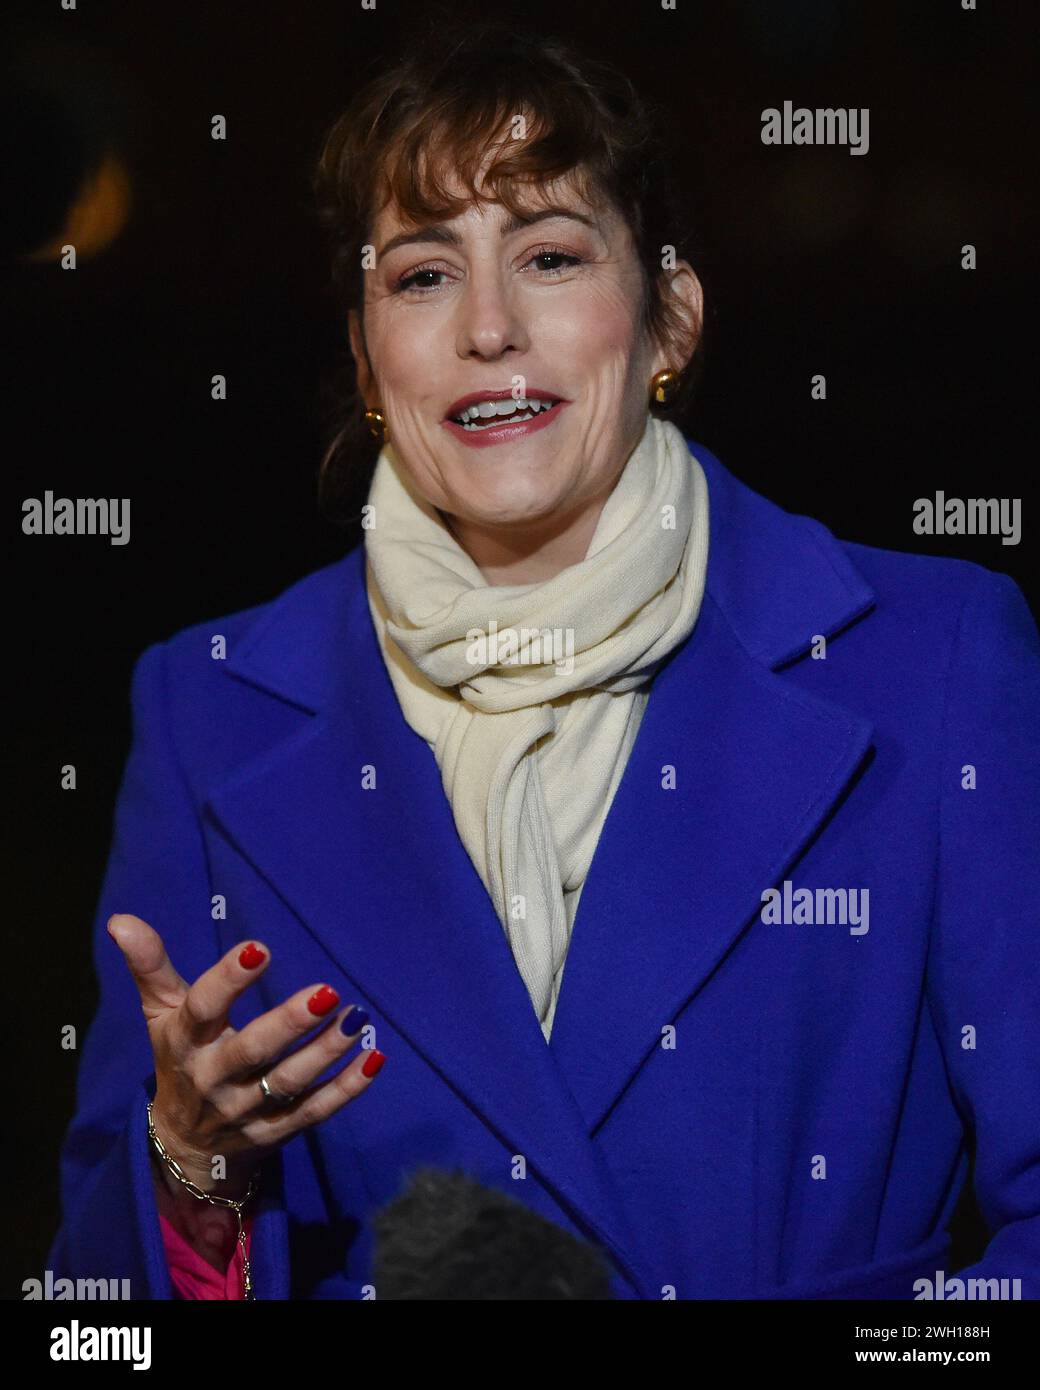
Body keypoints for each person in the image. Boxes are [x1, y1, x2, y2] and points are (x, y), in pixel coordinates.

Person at [48, 22, 1040, 1301]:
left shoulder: (936, 658)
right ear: (364, 356)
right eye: (419, 275)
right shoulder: (209, 708)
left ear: (670, 317)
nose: (487, 327)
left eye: (551, 255)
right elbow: (90, 1331)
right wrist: (190, 1166)